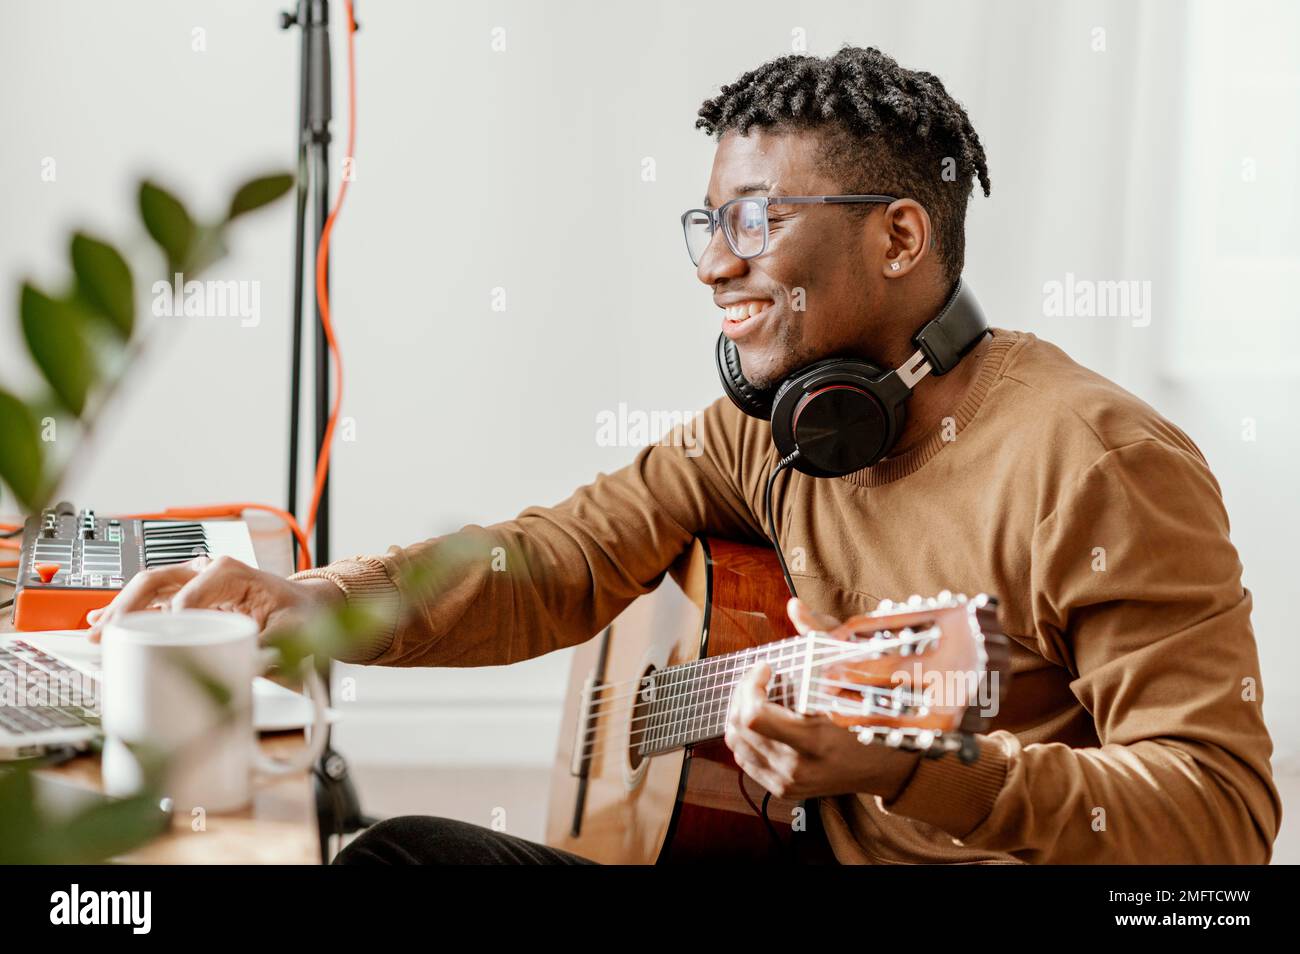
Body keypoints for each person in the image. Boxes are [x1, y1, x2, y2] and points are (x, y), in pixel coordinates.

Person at [89, 46, 1280, 865]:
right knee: (395, 859)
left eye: (756, 219)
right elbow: (552, 560)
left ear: (901, 235)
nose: (714, 261)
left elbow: (1222, 818)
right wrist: (319, 603)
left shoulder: (1097, 456)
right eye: (706, 222)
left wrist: (910, 770)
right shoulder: (765, 427)